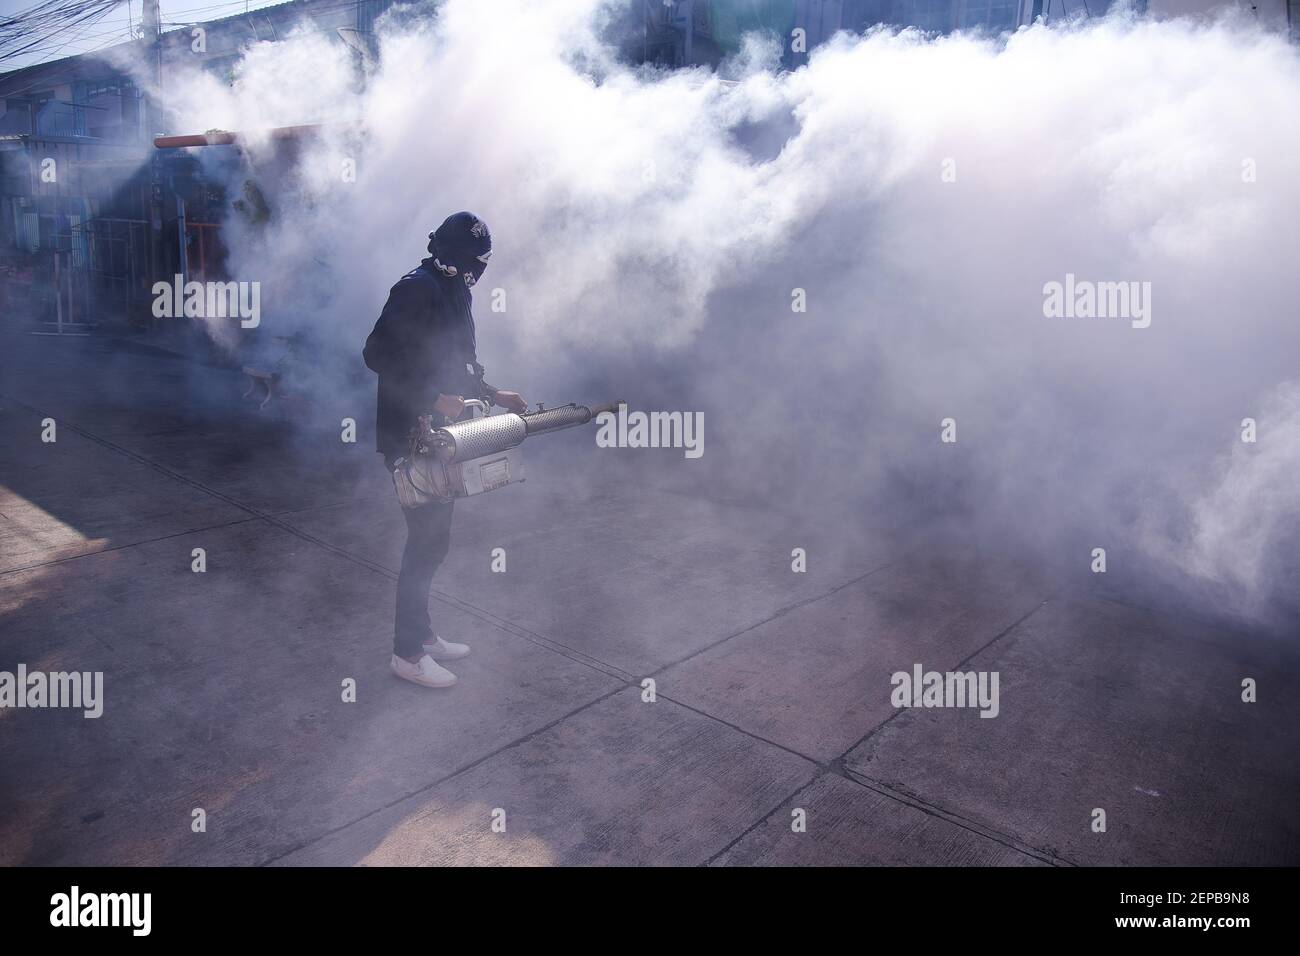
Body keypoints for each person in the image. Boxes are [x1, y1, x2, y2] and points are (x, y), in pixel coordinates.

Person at [362, 212, 527, 688]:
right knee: (425, 543)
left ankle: (423, 636)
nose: (480, 269)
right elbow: (377, 354)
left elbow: (456, 362)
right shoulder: (416, 288)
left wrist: (495, 394)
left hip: (440, 436)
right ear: (454, 257)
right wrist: (431, 399)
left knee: (436, 542)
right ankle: (407, 655)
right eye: (475, 260)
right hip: (410, 436)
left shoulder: (454, 289)